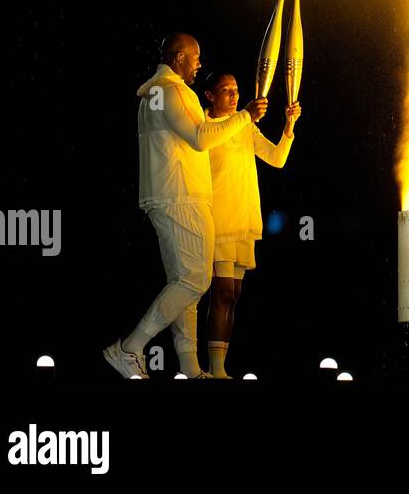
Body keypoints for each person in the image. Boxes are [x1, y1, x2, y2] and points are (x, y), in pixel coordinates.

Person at [104, 34, 267, 379]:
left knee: (184, 283)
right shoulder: (173, 91)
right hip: (181, 196)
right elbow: (200, 137)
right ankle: (130, 348)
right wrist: (244, 117)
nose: (199, 64)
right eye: (196, 58)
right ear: (179, 58)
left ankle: (190, 367)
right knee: (194, 281)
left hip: (166, 195)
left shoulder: (154, 94)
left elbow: (198, 133)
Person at [201, 71, 300, 378]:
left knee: (234, 294)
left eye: (235, 89)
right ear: (210, 95)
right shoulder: (203, 128)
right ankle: (213, 369)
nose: (233, 95)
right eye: (225, 90)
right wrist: (245, 116)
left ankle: (221, 366)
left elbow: (277, 158)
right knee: (222, 292)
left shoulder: (245, 127)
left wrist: (289, 124)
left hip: (243, 217)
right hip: (217, 219)